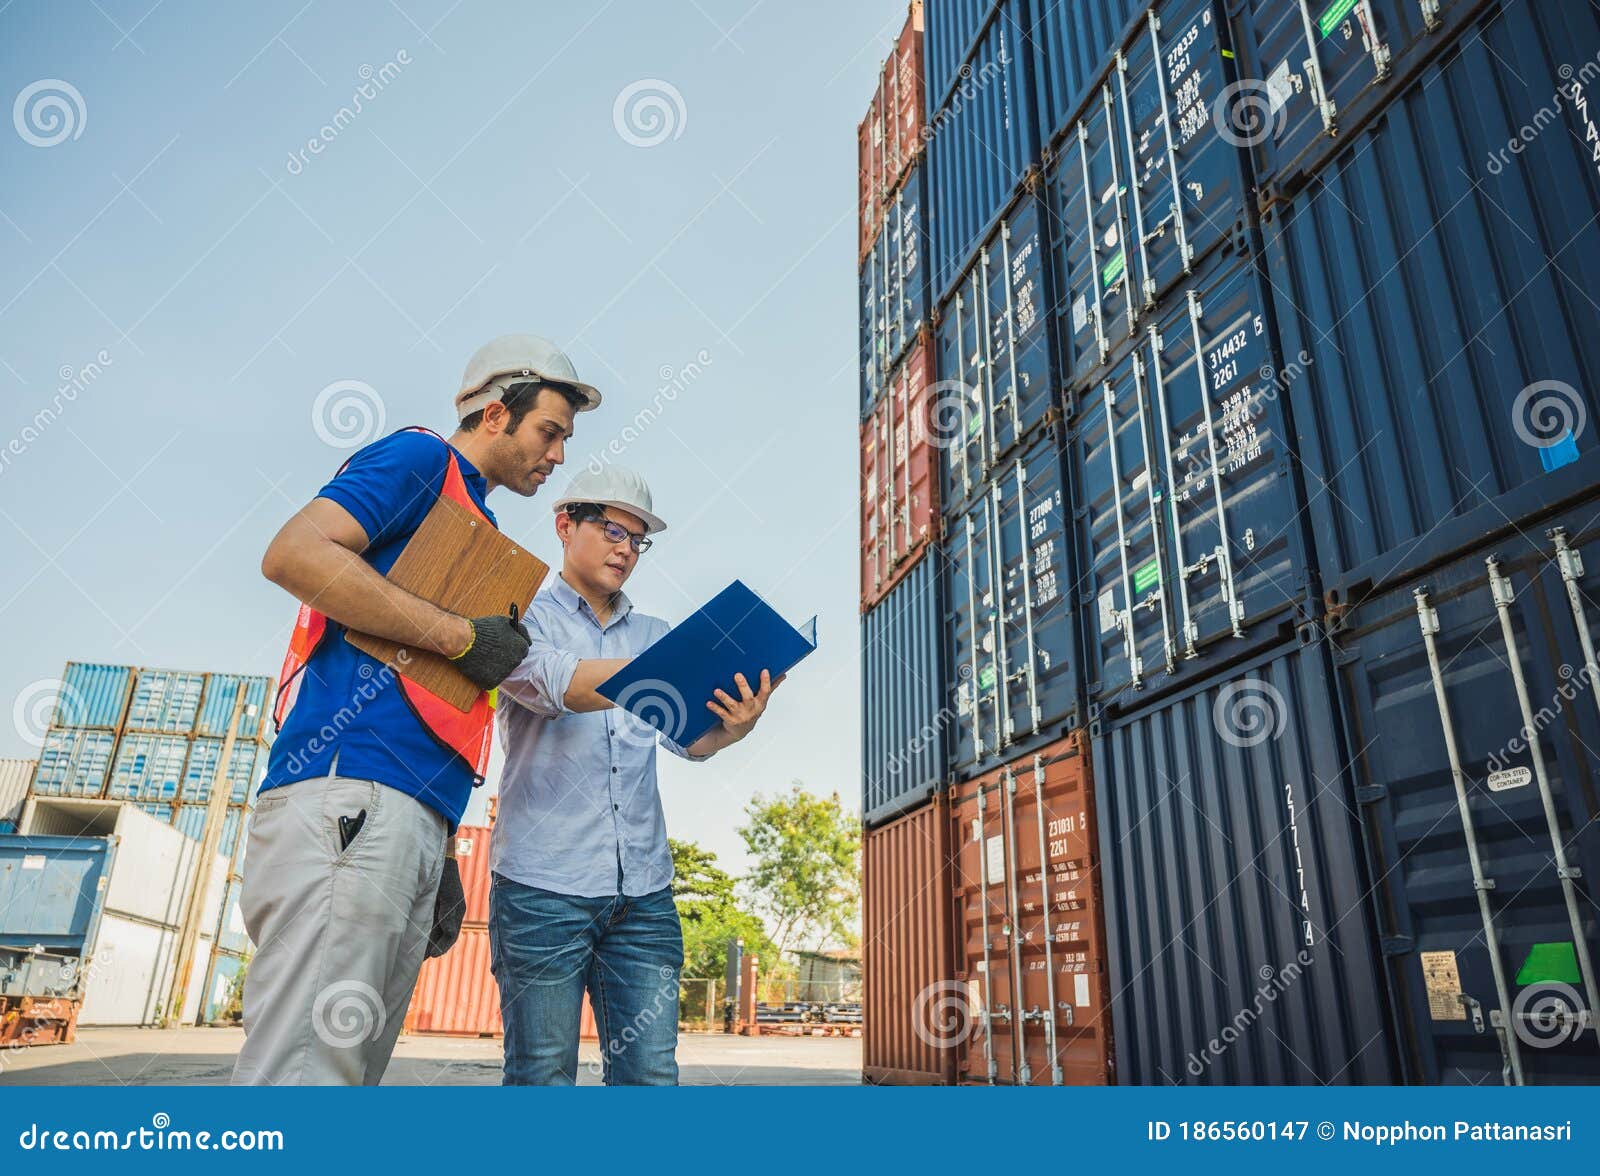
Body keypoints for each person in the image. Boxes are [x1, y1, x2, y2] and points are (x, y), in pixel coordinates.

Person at [232, 334, 598, 1085]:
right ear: (495, 414)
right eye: (549, 432)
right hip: (349, 793)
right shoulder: (420, 461)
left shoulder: (479, 532)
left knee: (348, 1072)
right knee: (307, 1072)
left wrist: (439, 836)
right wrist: (461, 636)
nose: (558, 455)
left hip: (398, 816)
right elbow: (293, 554)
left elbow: (438, 696)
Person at [489, 465, 782, 1085]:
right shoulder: (520, 618)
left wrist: (736, 725)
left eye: (638, 539)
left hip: (644, 897)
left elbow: (692, 743)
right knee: (540, 1077)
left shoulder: (656, 635)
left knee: (649, 1079)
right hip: (543, 889)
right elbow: (553, 687)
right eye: (613, 530)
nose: (627, 548)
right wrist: (664, 671)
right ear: (565, 525)